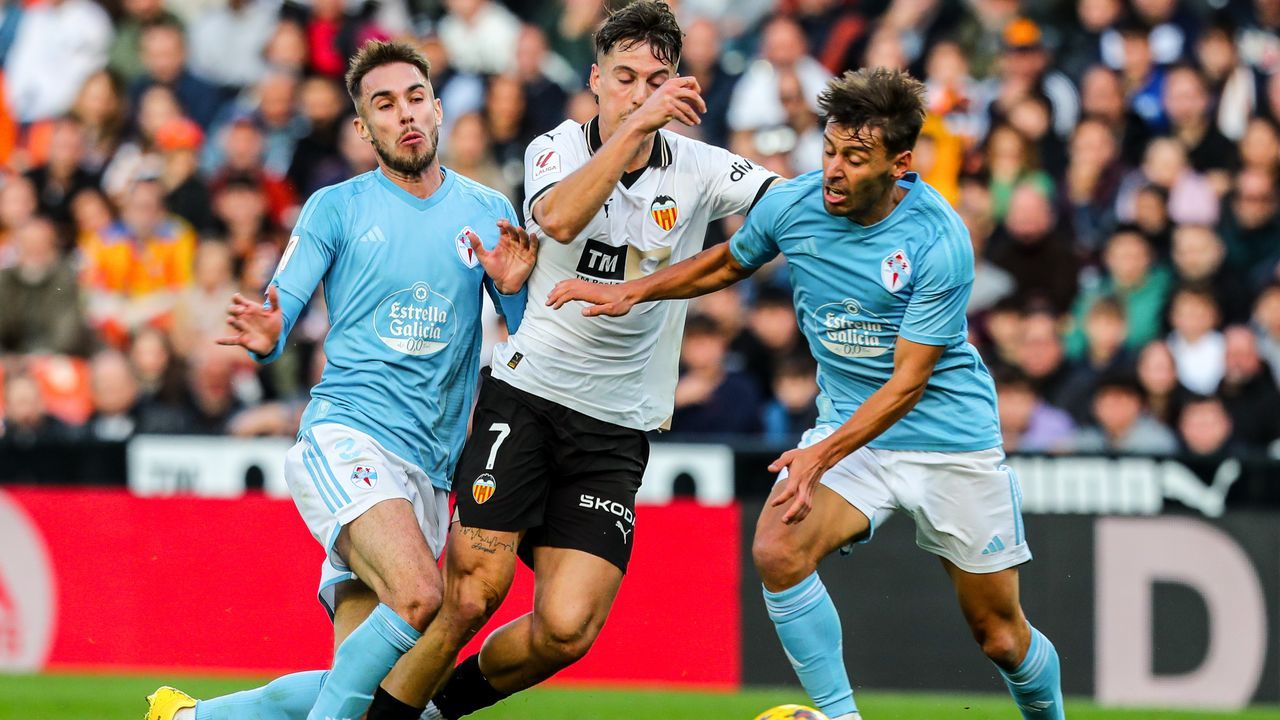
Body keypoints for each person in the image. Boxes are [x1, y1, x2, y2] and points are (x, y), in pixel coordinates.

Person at [550, 67, 1064, 720]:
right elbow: (728, 260)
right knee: (776, 549)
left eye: (856, 158)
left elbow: (909, 384)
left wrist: (817, 456)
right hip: (853, 430)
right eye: (829, 151)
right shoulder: (793, 206)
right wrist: (632, 290)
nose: (834, 170)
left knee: (1000, 636)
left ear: (900, 164)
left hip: (947, 439)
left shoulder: (939, 240)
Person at [364, 4, 778, 719]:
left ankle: (432, 711)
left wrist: (870, 198)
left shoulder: (705, 169)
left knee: (567, 629)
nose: (639, 92)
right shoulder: (554, 148)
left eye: (656, 79)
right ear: (595, 80)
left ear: (679, 82)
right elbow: (556, 219)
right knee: (471, 596)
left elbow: (788, 204)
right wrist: (642, 127)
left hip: (616, 427)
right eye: (624, 78)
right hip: (526, 397)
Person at [144, 39, 537, 720]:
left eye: (415, 98)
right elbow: (281, 303)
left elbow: (528, 340)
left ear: (438, 109)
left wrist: (515, 292)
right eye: (384, 105)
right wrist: (268, 335)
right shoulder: (336, 206)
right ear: (364, 128)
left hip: (429, 471)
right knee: (420, 597)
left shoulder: (485, 208)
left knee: (363, 693)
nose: (405, 114)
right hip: (348, 437)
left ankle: (188, 719)